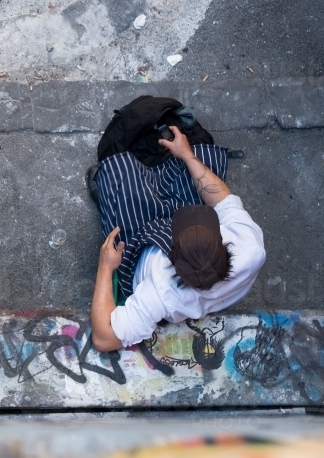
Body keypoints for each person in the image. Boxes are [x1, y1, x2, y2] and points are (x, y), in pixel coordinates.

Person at [90, 125, 266, 351]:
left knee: (121, 173)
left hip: (139, 250)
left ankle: (107, 195)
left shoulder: (159, 292)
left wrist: (105, 267)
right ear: (221, 245)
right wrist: (187, 155)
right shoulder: (250, 247)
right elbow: (223, 200)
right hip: (195, 287)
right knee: (198, 161)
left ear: (171, 251)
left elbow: (104, 339)